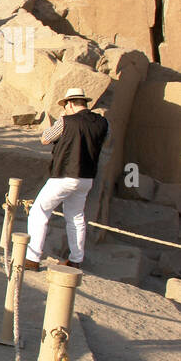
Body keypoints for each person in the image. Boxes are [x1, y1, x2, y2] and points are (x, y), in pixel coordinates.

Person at [24, 88, 110, 270]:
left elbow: (45, 139)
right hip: (86, 178)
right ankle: (76, 260)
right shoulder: (102, 123)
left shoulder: (66, 121)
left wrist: (62, 119)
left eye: (65, 106)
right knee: (76, 217)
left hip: (64, 175)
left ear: (69, 104)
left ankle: (32, 258)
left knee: (39, 212)